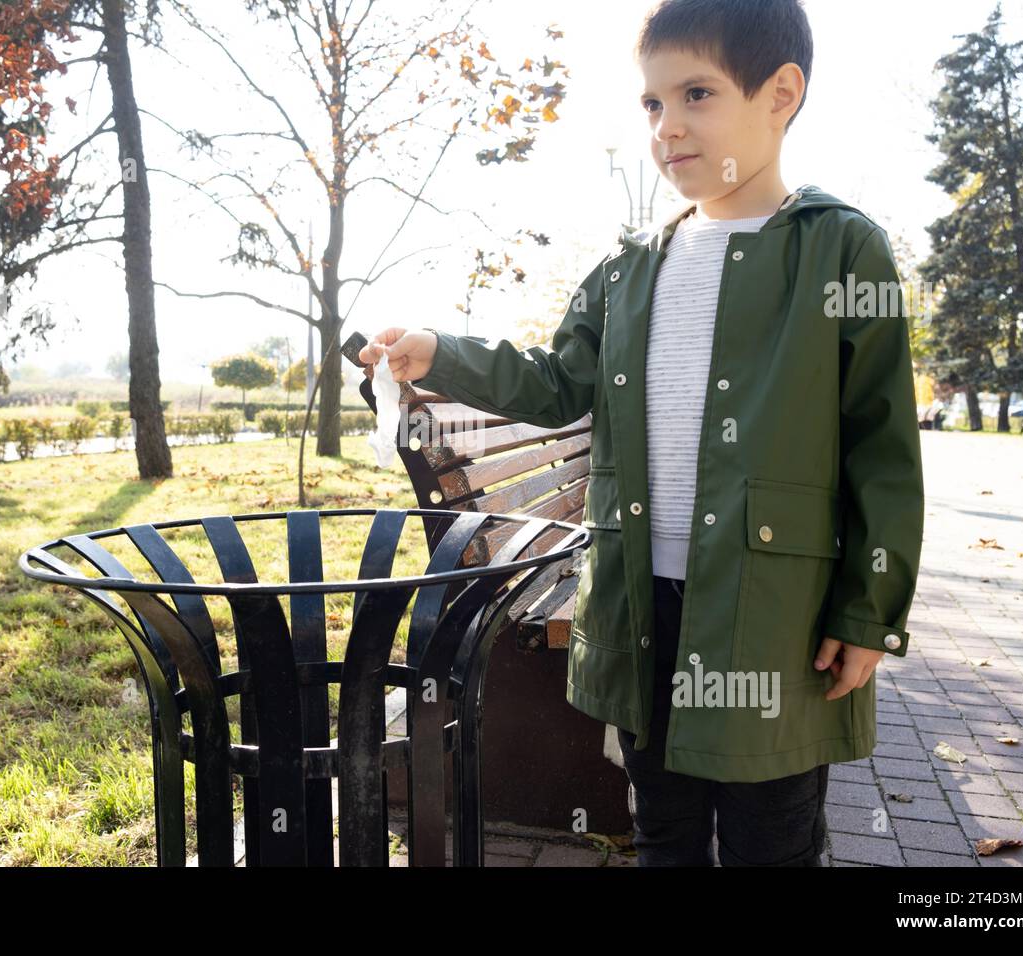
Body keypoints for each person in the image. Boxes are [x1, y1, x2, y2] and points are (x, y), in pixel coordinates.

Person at [358, 0, 923, 867]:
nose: (667, 127)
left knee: (772, 836)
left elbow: (881, 447)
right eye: (652, 104)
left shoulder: (839, 251)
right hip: (640, 601)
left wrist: (867, 611)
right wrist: (444, 355)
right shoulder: (632, 264)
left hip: (772, 615)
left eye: (696, 94)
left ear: (781, 93)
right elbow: (556, 381)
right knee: (661, 827)